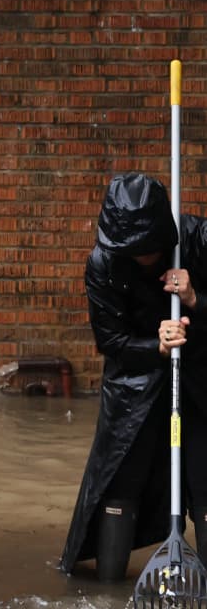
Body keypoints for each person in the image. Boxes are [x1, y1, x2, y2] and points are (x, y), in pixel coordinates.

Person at [61, 173, 207, 580]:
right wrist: (156, 347)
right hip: (134, 383)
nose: (142, 257)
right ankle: (108, 589)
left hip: (199, 376)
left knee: (203, 474)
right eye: (131, 250)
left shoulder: (197, 241)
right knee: (120, 482)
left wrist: (197, 300)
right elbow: (110, 341)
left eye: (148, 249)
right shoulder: (103, 263)